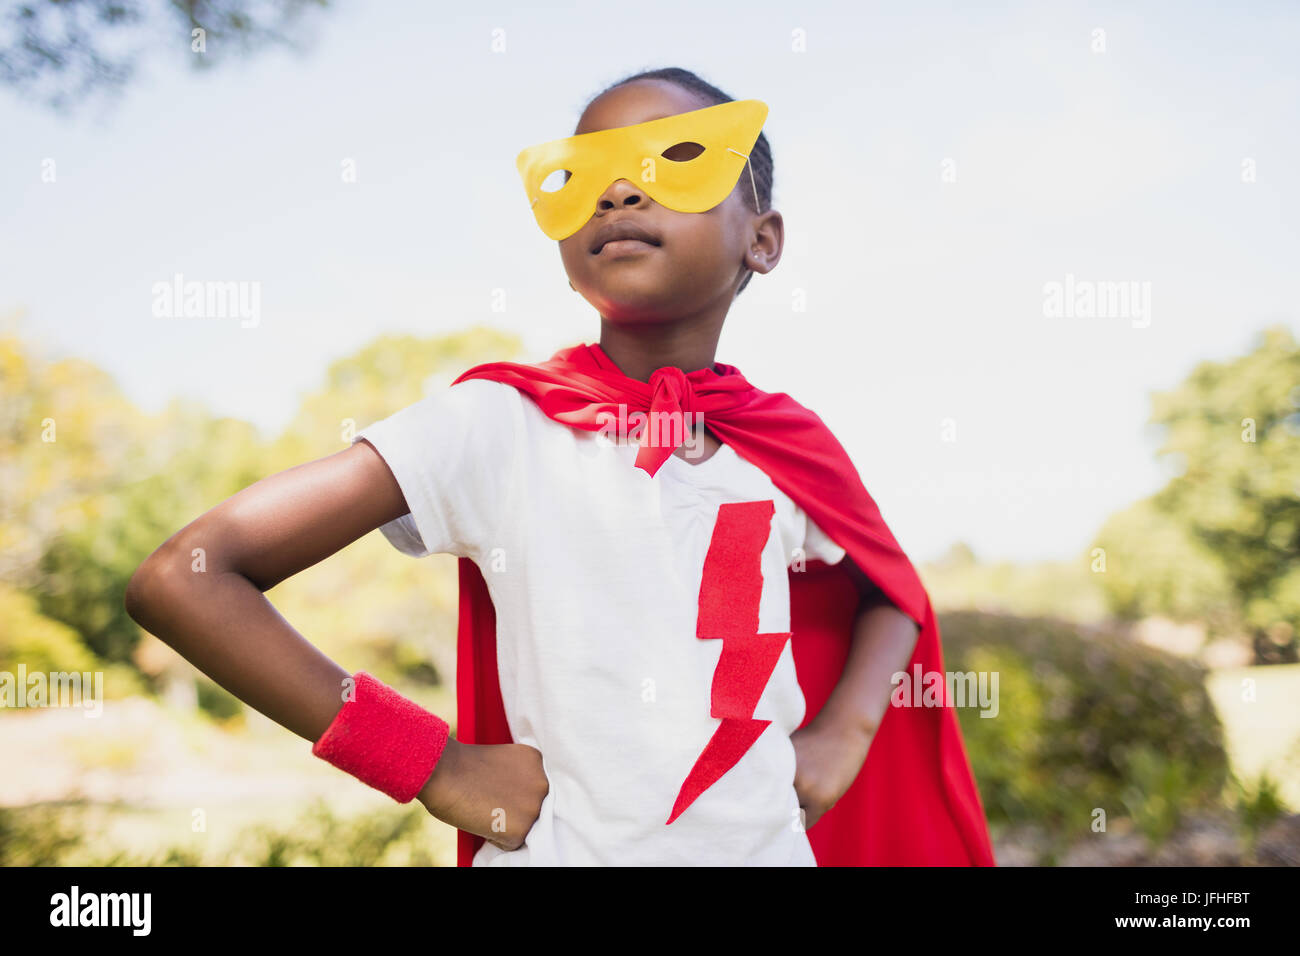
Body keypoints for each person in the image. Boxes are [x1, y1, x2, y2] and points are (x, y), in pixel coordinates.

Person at [125, 66, 996, 867]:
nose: (618, 189)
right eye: (584, 175)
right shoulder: (497, 424)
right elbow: (186, 578)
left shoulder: (783, 442)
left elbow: (893, 590)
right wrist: (431, 762)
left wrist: (845, 732)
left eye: (676, 160)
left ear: (762, 240)